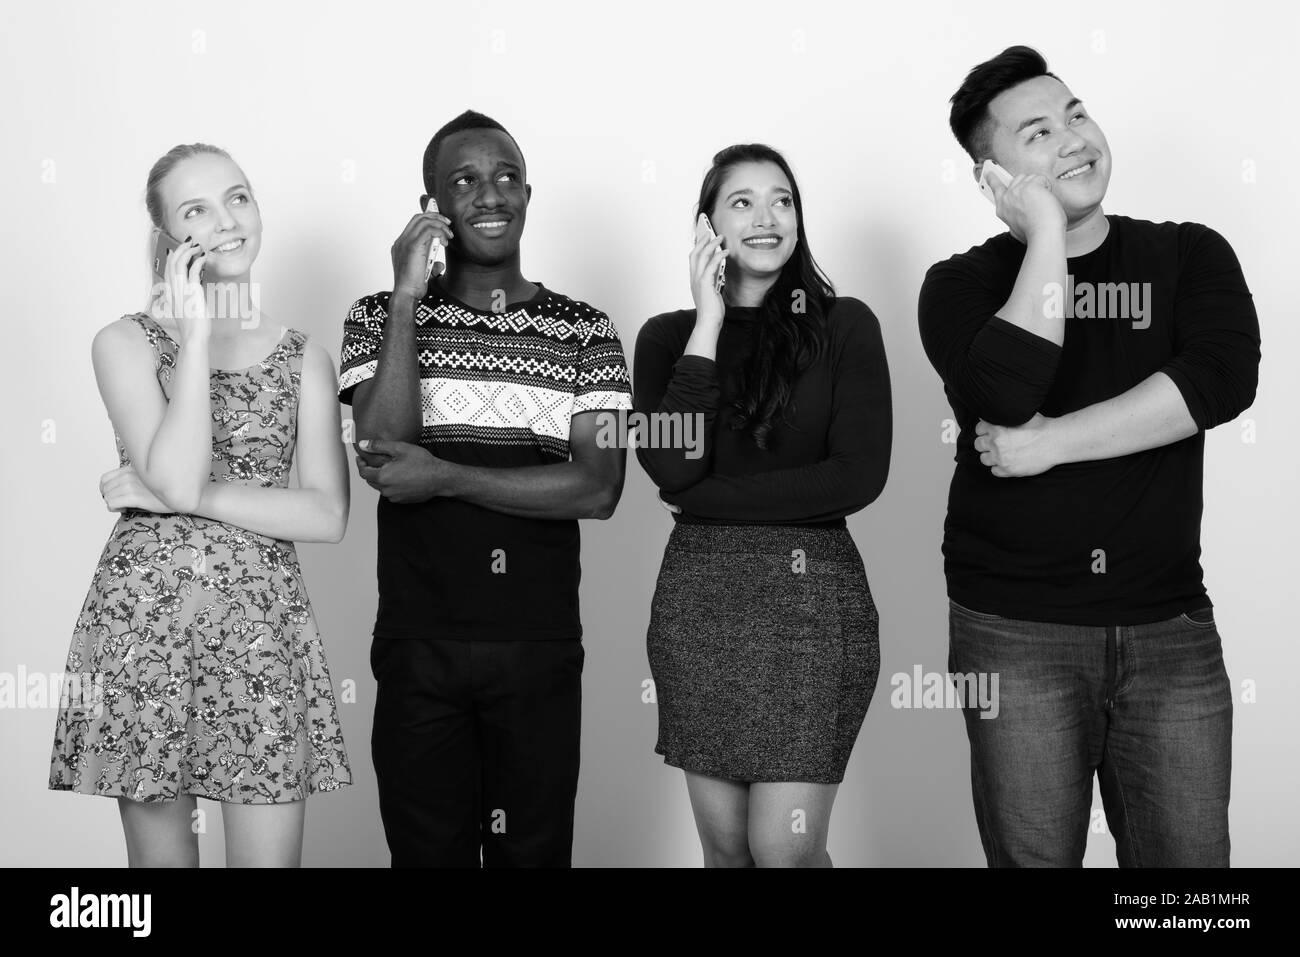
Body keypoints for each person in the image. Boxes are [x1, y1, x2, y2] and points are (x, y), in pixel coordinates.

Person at [919, 46, 1261, 867]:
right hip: (1014, 633)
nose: (1074, 139)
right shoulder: (958, 286)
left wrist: (1048, 445)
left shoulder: (1189, 254)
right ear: (992, 175)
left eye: (1075, 114)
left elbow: (1219, 382)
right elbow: (1006, 390)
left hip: (1170, 628)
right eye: (1037, 133)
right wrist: (1043, 234)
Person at [338, 110, 632, 868]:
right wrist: (408, 295)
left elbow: (597, 488)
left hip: (535, 646)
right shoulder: (376, 317)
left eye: (505, 176)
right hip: (417, 647)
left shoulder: (586, 332)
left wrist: (444, 475)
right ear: (431, 205)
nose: (490, 194)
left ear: (529, 193)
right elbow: (379, 448)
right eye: (464, 180)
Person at [49, 143, 353, 867]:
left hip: (262, 629)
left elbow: (326, 515)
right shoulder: (124, 343)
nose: (226, 220)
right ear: (168, 238)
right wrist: (193, 333)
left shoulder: (304, 357)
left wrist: (185, 497)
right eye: (197, 209)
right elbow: (178, 475)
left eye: (238, 197)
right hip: (145, 627)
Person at [634, 144, 892, 867]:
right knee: (726, 853)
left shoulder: (845, 326)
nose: (767, 217)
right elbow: (670, 463)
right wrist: (709, 321)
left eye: (782, 199)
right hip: (699, 607)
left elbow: (857, 477)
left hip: (813, 606)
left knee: (782, 849)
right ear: (707, 226)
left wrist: (706, 500)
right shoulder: (667, 338)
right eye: (741, 202)